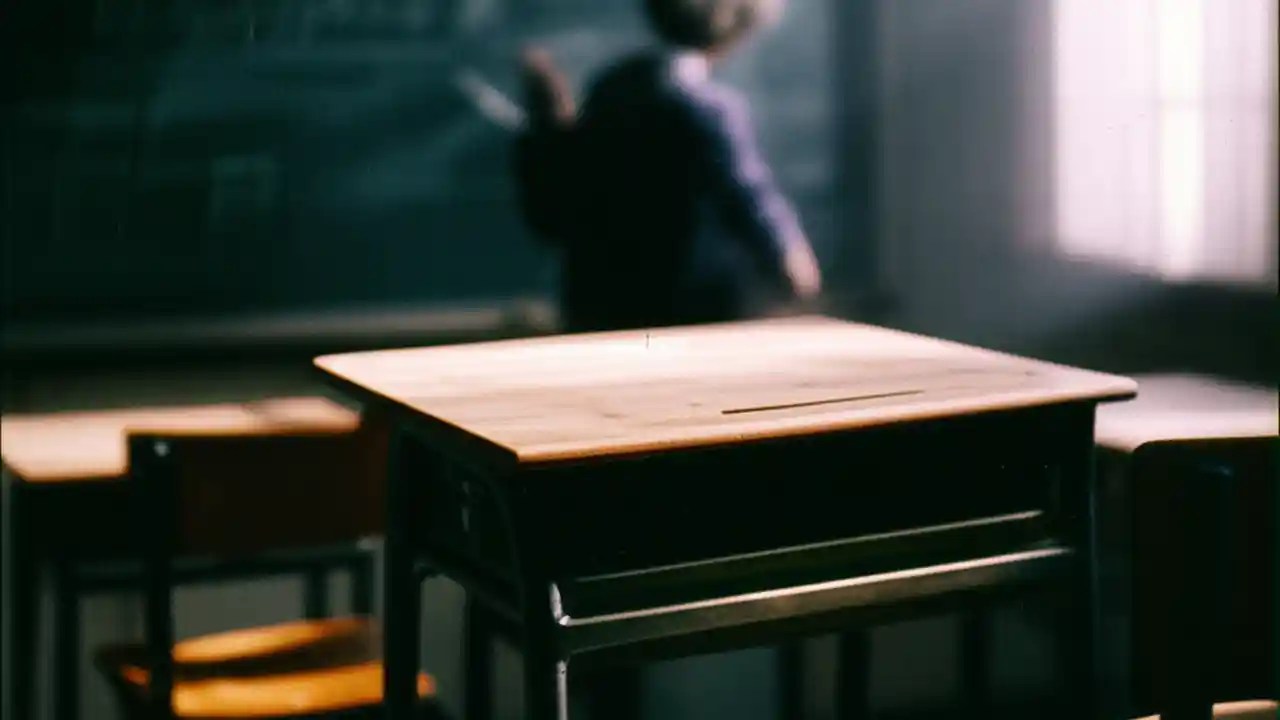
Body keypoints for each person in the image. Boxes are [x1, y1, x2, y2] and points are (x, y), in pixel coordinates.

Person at [514, 0, 822, 333]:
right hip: (683, 309)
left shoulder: (612, 88)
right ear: (738, 28)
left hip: (601, 303)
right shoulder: (706, 107)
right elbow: (747, 190)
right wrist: (788, 256)